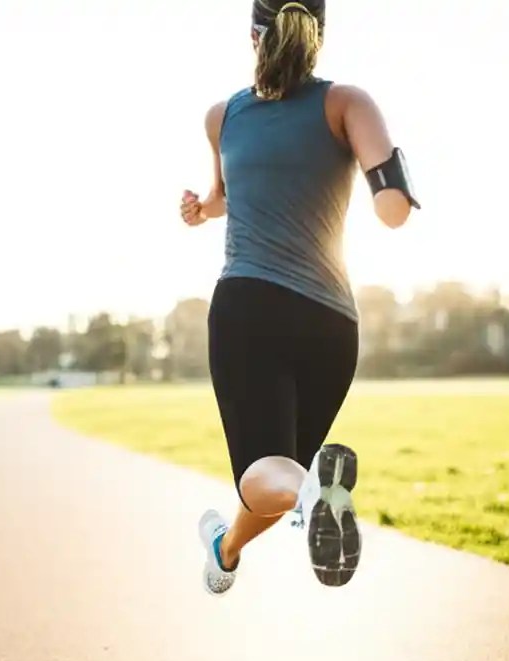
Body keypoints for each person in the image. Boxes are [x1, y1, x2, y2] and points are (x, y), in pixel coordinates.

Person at [179, 0, 419, 594]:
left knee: (265, 473)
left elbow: (226, 194)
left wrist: (204, 209)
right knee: (285, 474)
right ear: (318, 38)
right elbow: (392, 208)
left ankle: (312, 499)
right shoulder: (347, 103)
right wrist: (204, 208)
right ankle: (227, 551)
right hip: (331, 324)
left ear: (252, 35)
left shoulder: (222, 117)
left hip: (250, 307)